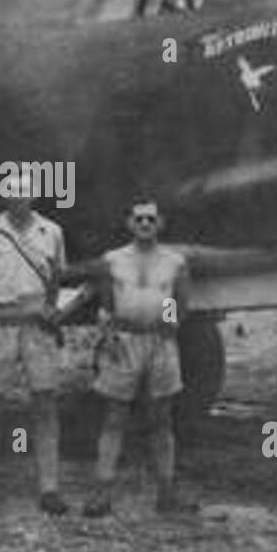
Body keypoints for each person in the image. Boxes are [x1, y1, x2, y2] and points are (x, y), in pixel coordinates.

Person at [77, 197, 194, 517]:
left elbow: (179, 300)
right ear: (129, 224)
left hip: (160, 342)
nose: (145, 225)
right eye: (139, 219)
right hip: (124, 342)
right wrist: (109, 332)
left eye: (150, 220)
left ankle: (167, 493)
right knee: (114, 418)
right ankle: (102, 491)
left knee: (162, 419)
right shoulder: (113, 260)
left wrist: (169, 323)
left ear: (160, 224)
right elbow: (106, 303)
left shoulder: (175, 261)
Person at [0, 170, 68, 516]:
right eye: (12, 191)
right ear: (3, 196)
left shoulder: (51, 232)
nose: (19, 197)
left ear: (35, 195)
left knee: (45, 403)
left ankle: (49, 488)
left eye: (25, 191)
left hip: (36, 326)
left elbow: (55, 277)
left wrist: (47, 309)